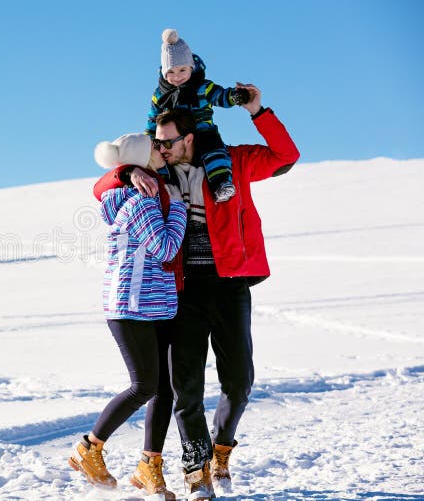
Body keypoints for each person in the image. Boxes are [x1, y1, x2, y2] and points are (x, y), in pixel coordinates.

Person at [94, 85, 300, 500]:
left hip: (229, 286)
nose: (161, 150)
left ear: (189, 138)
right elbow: (102, 188)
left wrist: (257, 110)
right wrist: (125, 172)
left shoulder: (233, 163)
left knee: (239, 381)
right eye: (156, 144)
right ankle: (197, 472)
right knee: (185, 387)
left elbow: (285, 155)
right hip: (182, 292)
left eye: (167, 143)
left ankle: (222, 449)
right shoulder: (156, 175)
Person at [68, 132, 187, 498]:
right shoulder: (141, 202)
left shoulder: (142, 194)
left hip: (155, 304)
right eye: (155, 148)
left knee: (163, 389)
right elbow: (165, 247)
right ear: (140, 159)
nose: (162, 151)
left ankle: (149, 467)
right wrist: (181, 208)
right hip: (132, 306)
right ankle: (90, 447)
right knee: (144, 386)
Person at [146, 29, 251, 203]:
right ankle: (165, 187)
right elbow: (153, 118)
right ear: (163, 72)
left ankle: (220, 183)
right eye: (171, 72)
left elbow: (220, 96)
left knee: (214, 151)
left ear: (191, 68)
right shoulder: (160, 95)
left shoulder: (202, 87)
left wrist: (235, 96)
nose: (177, 76)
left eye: (182, 70)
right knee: (161, 157)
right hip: (175, 139)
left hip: (203, 131)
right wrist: (149, 140)